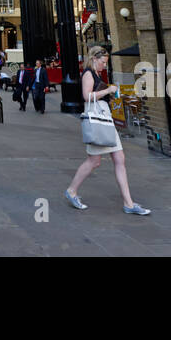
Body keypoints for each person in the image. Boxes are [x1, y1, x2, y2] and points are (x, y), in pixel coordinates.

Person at [65, 46, 149, 215]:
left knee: (119, 158)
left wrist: (109, 92)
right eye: (103, 62)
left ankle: (129, 203)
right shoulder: (88, 73)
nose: (104, 65)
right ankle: (72, 190)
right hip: (98, 122)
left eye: (105, 62)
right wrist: (108, 90)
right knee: (94, 161)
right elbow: (86, 96)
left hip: (105, 120)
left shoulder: (96, 74)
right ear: (94, 59)